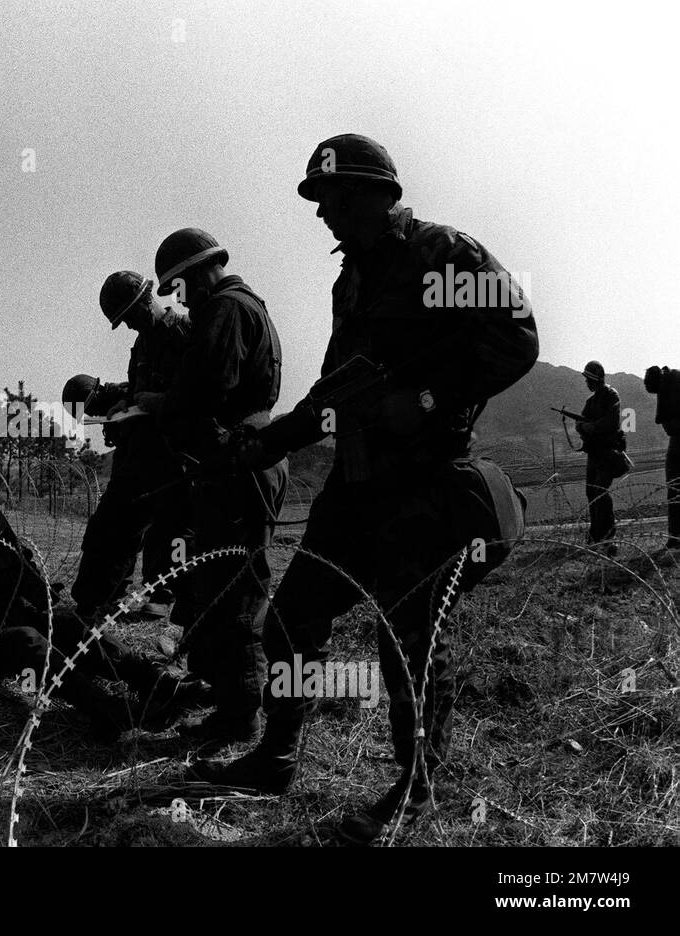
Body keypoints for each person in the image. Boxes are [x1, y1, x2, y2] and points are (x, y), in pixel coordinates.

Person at [189, 134, 537, 845]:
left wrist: (432, 399)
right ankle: (278, 755)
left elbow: (519, 336)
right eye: (319, 201)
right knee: (290, 621)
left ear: (379, 192)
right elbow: (330, 397)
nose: (323, 214)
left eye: (335, 198)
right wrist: (265, 445)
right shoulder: (350, 281)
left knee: (405, 643)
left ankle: (417, 790)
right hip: (354, 487)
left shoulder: (443, 254)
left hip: (422, 484)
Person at [0, 471, 206, 738]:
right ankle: (105, 709)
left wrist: (45, 597)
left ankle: (155, 683)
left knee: (67, 623)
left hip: (5, 614)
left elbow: (21, 571)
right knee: (28, 640)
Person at [151, 228, 289, 750]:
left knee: (236, 597)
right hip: (241, 459)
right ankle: (232, 705)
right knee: (225, 589)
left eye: (181, 285)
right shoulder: (245, 305)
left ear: (198, 271)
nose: (181, 298)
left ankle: (241, 718)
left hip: (238, 463)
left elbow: (206, 390)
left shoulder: (225, 311)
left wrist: (154, 404)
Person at [68, 271, 192, 622]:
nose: (129, 326)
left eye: (131, 316)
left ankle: (161, 596)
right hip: (141, 452)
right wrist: (124, 406)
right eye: (123, 321)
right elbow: (136, 390)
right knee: (110, 526)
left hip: (174, 453)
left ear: (147, 300)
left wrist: (156, 403)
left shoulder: (184, 334)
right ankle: (96, 599)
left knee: (169, 531)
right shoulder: (142, 345)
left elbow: (198, 393)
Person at [575, 361, 626, 553]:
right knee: (591, 492)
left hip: (608, 452)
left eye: (589, 379)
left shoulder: (611, 395)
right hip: (594, 453)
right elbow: (580, 420)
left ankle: (609, 539)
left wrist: (592, 427)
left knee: (600, 492)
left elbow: (611, 421)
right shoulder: (591, 401)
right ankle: (596, 536)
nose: (587, 382)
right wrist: (582, 427)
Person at [644, 364, 680, 549]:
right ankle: (675, 536)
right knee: (674, 489)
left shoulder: (669, 383)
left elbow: (667, 422)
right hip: (677, 441)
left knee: (674, 488)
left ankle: (675, 536)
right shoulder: (670, 379)